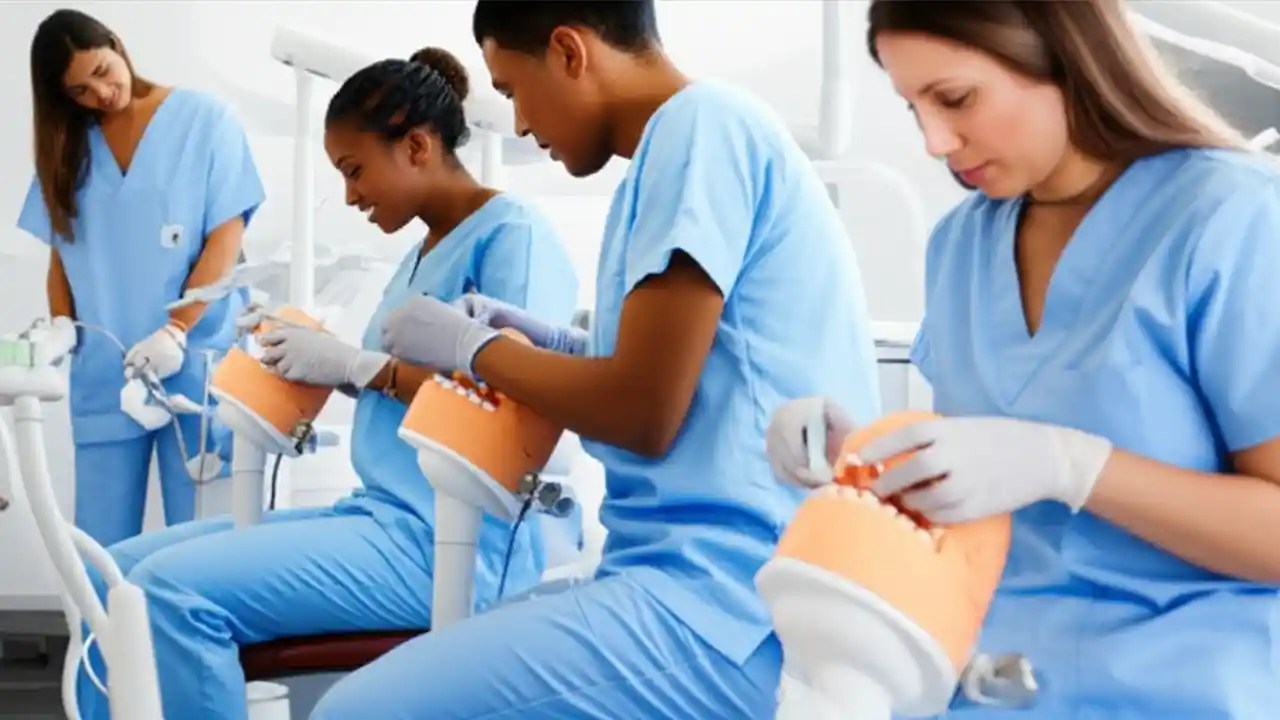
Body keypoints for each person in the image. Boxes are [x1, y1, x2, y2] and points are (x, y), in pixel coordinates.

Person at [310, 2, 883, 718]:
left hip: (733, 601)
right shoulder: (669, 157)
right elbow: (685, 370)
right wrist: (554, 345)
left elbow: (642, 411)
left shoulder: (700, 129)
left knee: (354, 712)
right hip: (690, 578)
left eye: (514, 90)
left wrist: (473, 348)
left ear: (569, 52)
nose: (517, 124)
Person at [768, 1, 1280, 717]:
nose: (934, 141)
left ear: (1066, 60)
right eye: (913, 107)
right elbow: (976, 491)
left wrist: (1073, 466)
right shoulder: (962, 247)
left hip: (1185, 691)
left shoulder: (1234, 219)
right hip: (993, 685)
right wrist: (862, 458)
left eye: (954, 99)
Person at [71, 48, 579, 720]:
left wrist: (357, 366)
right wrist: (316, 362)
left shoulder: (515, 238)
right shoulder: (421, 252)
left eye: (355, 170)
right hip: (380, 512)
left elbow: (517, 407)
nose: (351, 195)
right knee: (110, 572)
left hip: (453, 541)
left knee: (168, 590)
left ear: (417, 146)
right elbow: (401, 387)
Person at [17, 8, 265, 546]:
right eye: (80, 90)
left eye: (104, 71)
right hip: (106, 367)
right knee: (101, 544)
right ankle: (96, 634)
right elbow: (61, 255)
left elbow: (226, 234)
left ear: (116, 44)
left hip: (197, 361)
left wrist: (177, 329)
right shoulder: (68, 147)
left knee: (203, 540)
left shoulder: (204, 119)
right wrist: (61, 325)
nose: (102, 94)